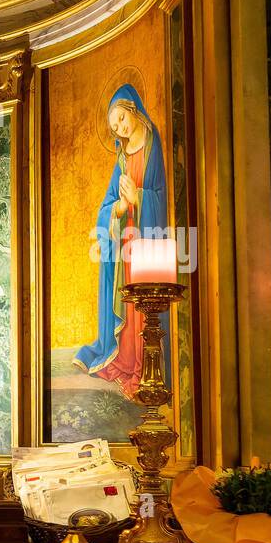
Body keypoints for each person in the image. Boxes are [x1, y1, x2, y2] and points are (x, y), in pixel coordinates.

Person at [74, 85, 169, 398]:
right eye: (115, 127)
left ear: (131, 109)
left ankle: (143, 367)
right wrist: (118, 207)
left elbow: (161, 197)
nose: (121, 128)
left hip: (148, 238)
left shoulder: (153, 144)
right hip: (126, 239)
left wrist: (139, 198)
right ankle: (125, 360)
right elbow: (109, 202)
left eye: (121, 119)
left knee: (143, 303)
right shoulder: (122, 157)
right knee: (126, 300)